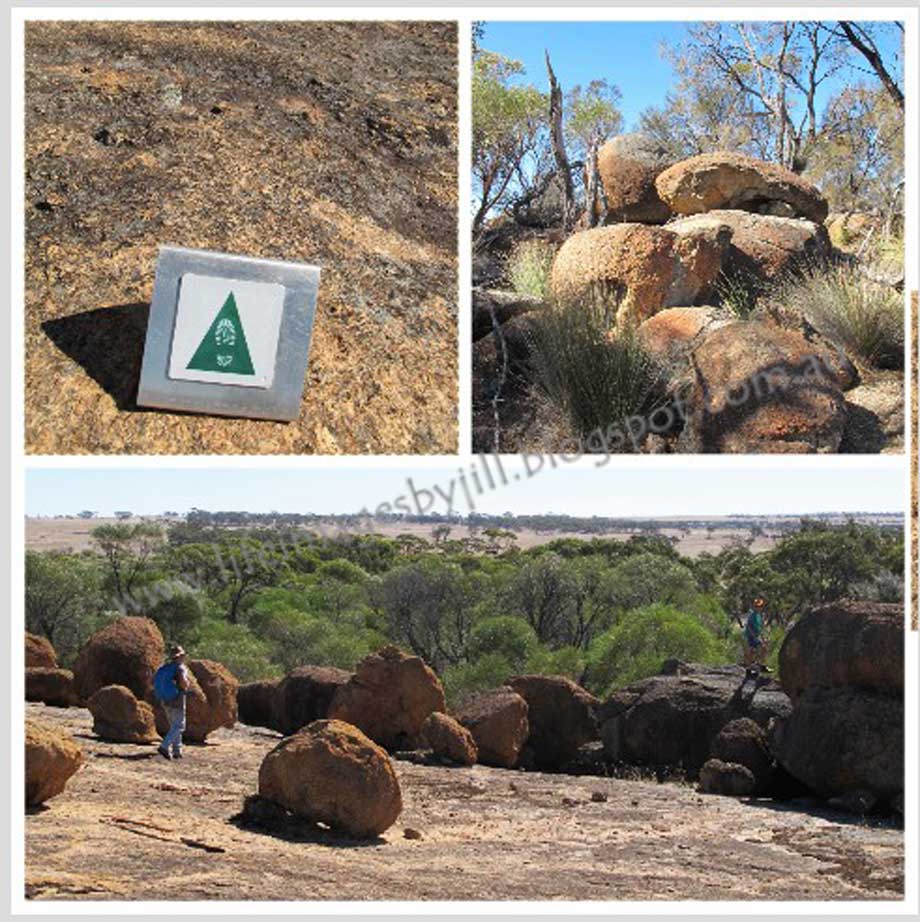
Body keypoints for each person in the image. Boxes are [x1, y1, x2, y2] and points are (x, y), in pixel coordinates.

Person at [154, 645, 190, 760]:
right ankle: (164, 747)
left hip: (165, 699)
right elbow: (184, 683)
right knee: (179, 725)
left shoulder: (165, 667)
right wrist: (187, 687)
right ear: (180, 657)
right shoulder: (180, 668)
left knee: (174, 725)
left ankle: (177, 751)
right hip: (177, 698)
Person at [742, 597, 771, 676]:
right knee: (754, 651)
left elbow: (760, 628)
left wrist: (763, 637)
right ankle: (752, 668)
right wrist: (755, 637)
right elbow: (749, 628)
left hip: (756, 636)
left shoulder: (759, 616)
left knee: (762, 649)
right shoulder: (752, 616)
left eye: (760, 606)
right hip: (750, 637)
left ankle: (758, 666)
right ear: (754, 607)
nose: (759, 608)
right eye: (757, 606)